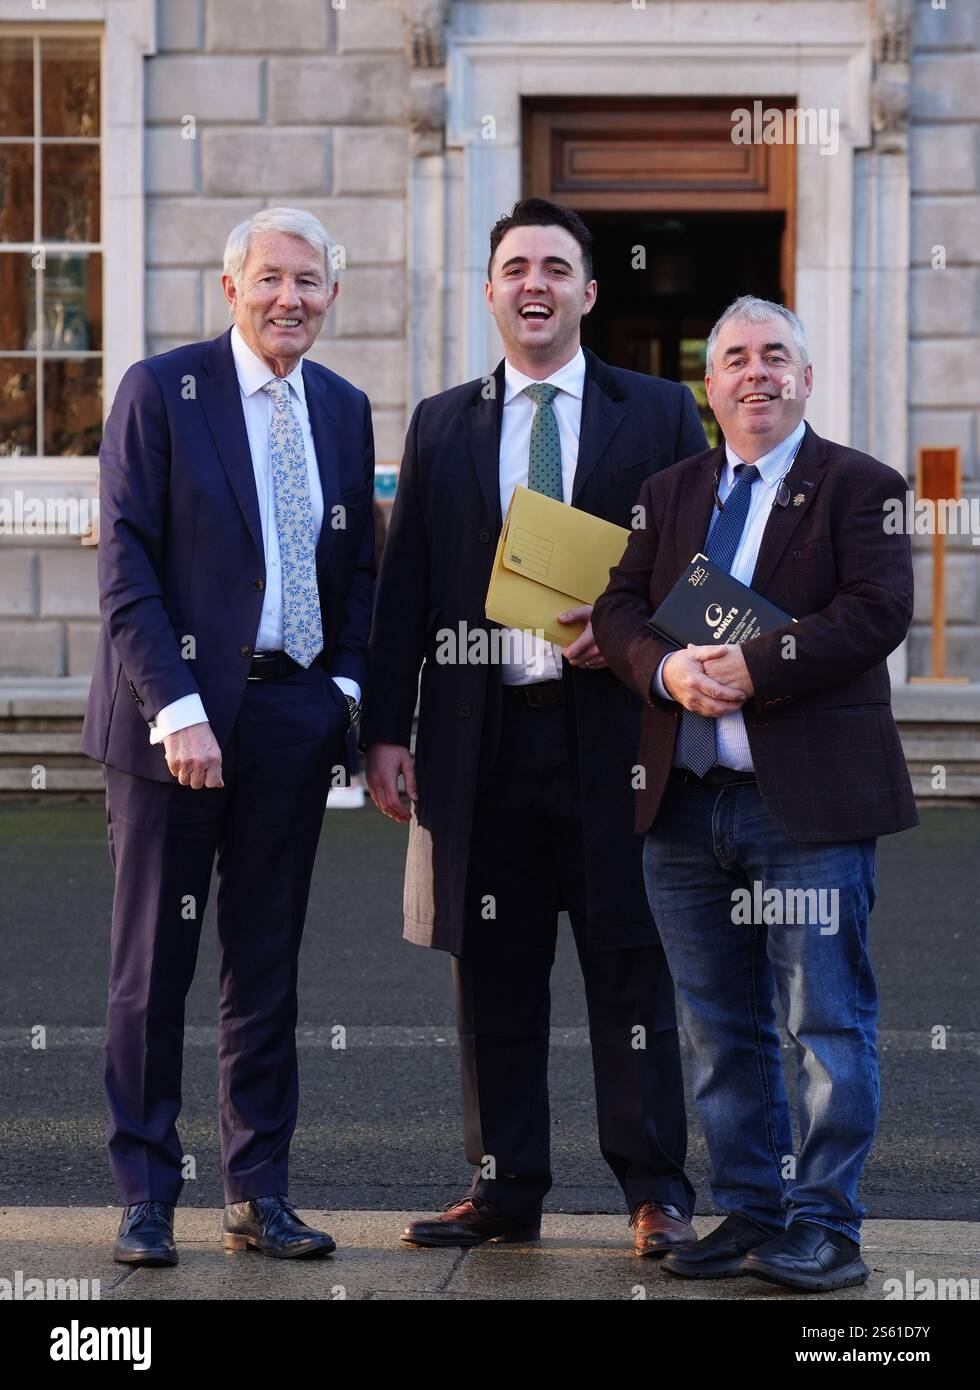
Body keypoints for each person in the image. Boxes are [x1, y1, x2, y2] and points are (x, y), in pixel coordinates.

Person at [363, 198, 707, 1254]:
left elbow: (694, 565)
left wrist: (635, 639)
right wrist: (382, 727)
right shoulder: (442, 420)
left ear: (587, 292)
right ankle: (502, 1185)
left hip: (613, 734)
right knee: (494, 970)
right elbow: (405, 581)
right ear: (489, 290)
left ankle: (654, 1189)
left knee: (627, 963)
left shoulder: (653, 410)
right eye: (515, 266)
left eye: (555, 267)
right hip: (484, 738)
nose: (534, 285)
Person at [592, 294, 917, 1292]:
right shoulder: (670, 488)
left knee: (823, 1022)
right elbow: (616, 607)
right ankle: (747, 1208)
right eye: (733, 358)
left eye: (775, 355)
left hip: (802, 807)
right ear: (709, 385)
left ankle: (826, 1227)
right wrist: (660, 671)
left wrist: (750, 664)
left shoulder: (860, 486)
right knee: (716, 1026)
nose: (754, 373)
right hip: (683, 808)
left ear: (804, 379)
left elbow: (876, 611)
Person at [81, 207, 376, 1265]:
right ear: (230, 288)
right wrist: (179, 709)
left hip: (292, 718)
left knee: (265, 966)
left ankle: (257, 1192)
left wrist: (340, 689)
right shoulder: (162, 392)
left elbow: (360, 574)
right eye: (269, 279)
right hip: (175, 728)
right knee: (151, 970)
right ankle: (146, 1194)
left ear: (330, 296)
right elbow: (126, 566)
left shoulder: (343, 409)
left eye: (308, 280)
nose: (288, 297)